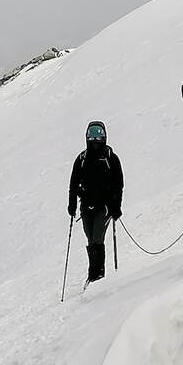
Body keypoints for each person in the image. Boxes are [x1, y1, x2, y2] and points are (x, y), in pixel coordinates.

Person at [67, 120, 124, 283]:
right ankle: (94, 274)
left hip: (105, 206)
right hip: (86, 205)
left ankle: (97, 275)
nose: (95, 140)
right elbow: (73, 183)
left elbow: (118, 184)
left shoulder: (111, 158)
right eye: (92, 136)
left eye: (98, 136)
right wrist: (72, 205)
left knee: (97, 238)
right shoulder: (81, 159)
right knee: (91, 238)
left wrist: (116, 205)